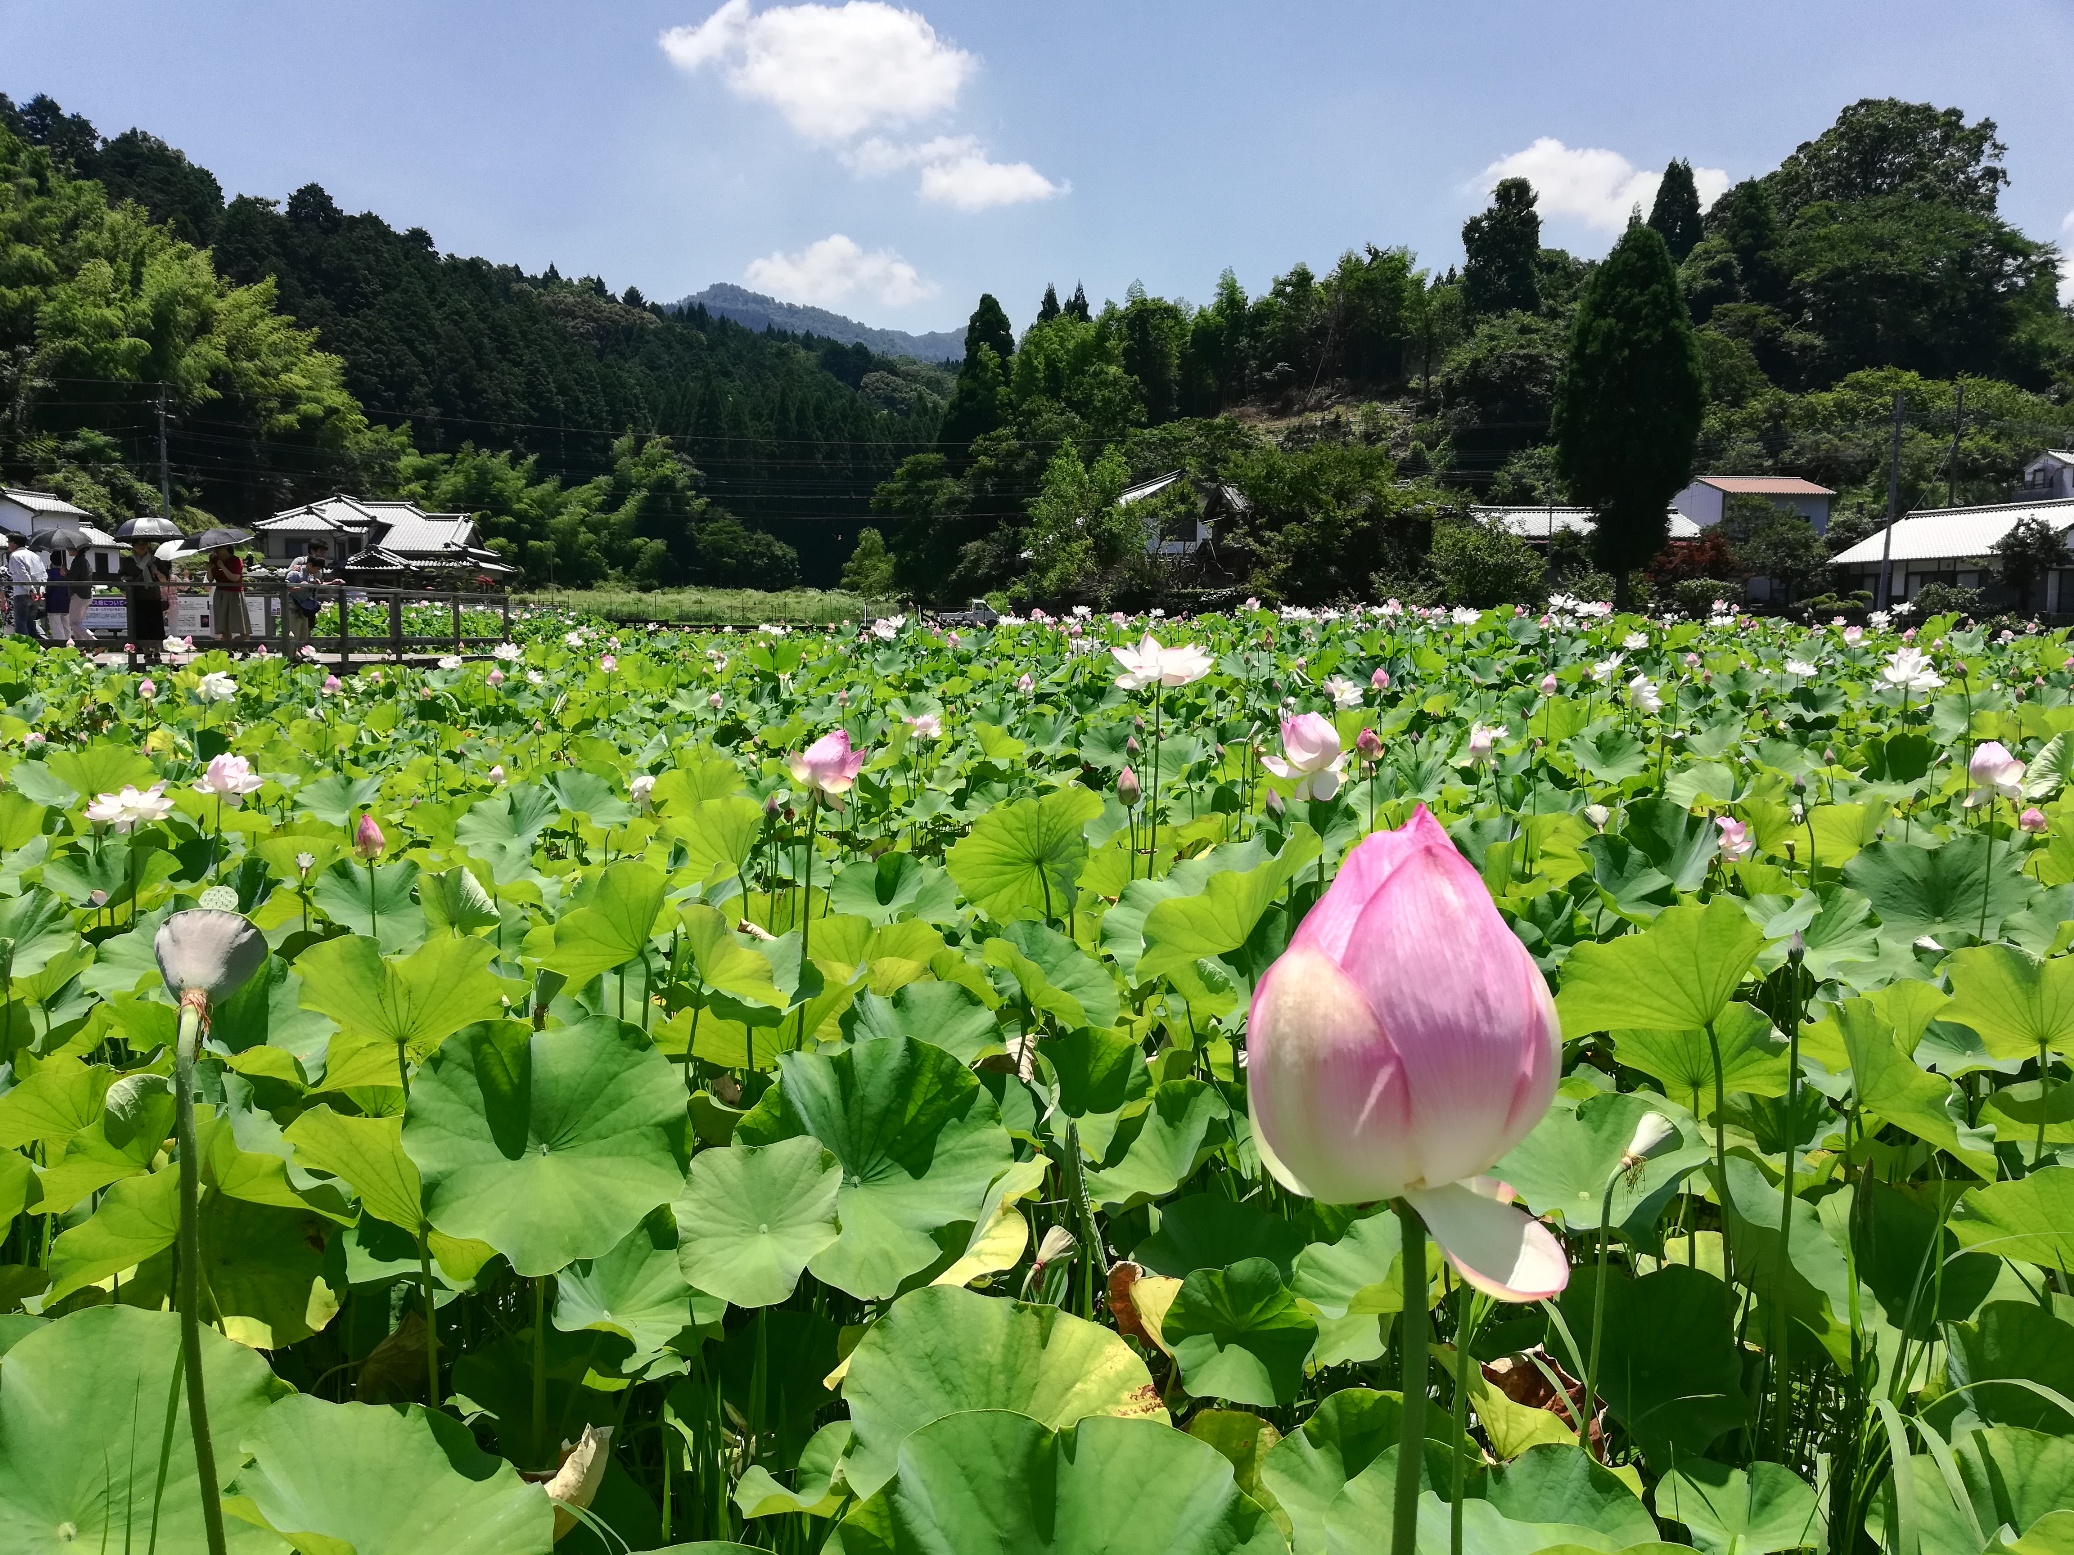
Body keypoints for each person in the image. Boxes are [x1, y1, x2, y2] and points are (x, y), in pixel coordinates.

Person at [122, 540, 170, 660]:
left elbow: (165, 580)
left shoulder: (155, 561)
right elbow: (121, 577)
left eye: (144, 544)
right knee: (141, 626)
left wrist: (156, 571)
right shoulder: (128, 561)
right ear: (133, 546)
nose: (142, 546)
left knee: (156, 626)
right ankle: (146, 653)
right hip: (137, 597)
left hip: (153, 596)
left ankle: (157, 652)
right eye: (138, 544)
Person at [283, 541, 326, 651]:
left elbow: (318, 582)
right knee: (294, 633)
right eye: (321, 551)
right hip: (296, 603)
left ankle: (302, 655)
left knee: (306, 632)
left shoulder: (318, 566)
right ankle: (292, 656)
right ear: (312, 551)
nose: (323, 553)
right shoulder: (299, 563)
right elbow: (288, 581)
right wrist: (299, 584)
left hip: (309, 603)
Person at [4, 534, 45, 645]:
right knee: (31, 622)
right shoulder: (34, 556)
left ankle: (25, 647)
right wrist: (41, 588)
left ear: (14, 543)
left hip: (22, 591)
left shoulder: (15, 556)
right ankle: (38, 646)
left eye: (9, 542)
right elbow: (42, 573)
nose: (8, 545)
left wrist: (29, 589)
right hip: (37, 591)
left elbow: (22, 574)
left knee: (21, 623)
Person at [209, 544, 250, 648]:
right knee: (222, 625)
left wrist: (222, 566)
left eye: (219, 548)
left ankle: (245, 651)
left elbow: (235, 578)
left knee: (241, 624)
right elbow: (210, 579)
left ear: (226, 548)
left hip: (234, 593)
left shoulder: (236, 560)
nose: (216, 550)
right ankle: (229, 650)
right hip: (220, 593)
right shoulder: (214, 560)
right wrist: (208, 569)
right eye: (215, 548)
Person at [42, 546, 73, 644]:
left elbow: (47, 588)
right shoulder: (68, 573)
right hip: (67, 602)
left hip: (53, 603)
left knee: (56, 626)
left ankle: (60, 646)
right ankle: (69, 644)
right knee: (66, 626)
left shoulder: (49, 573)